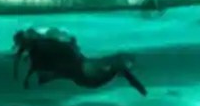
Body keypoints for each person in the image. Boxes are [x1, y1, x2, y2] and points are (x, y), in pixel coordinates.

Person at [12, 26, 147, 96]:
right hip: (83, 72)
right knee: (112, 67)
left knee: (115, 67)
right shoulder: (42, 46)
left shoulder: (43, 46)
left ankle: (126, 71)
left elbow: (37, 62)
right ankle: (125, 70)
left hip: (84, 73)